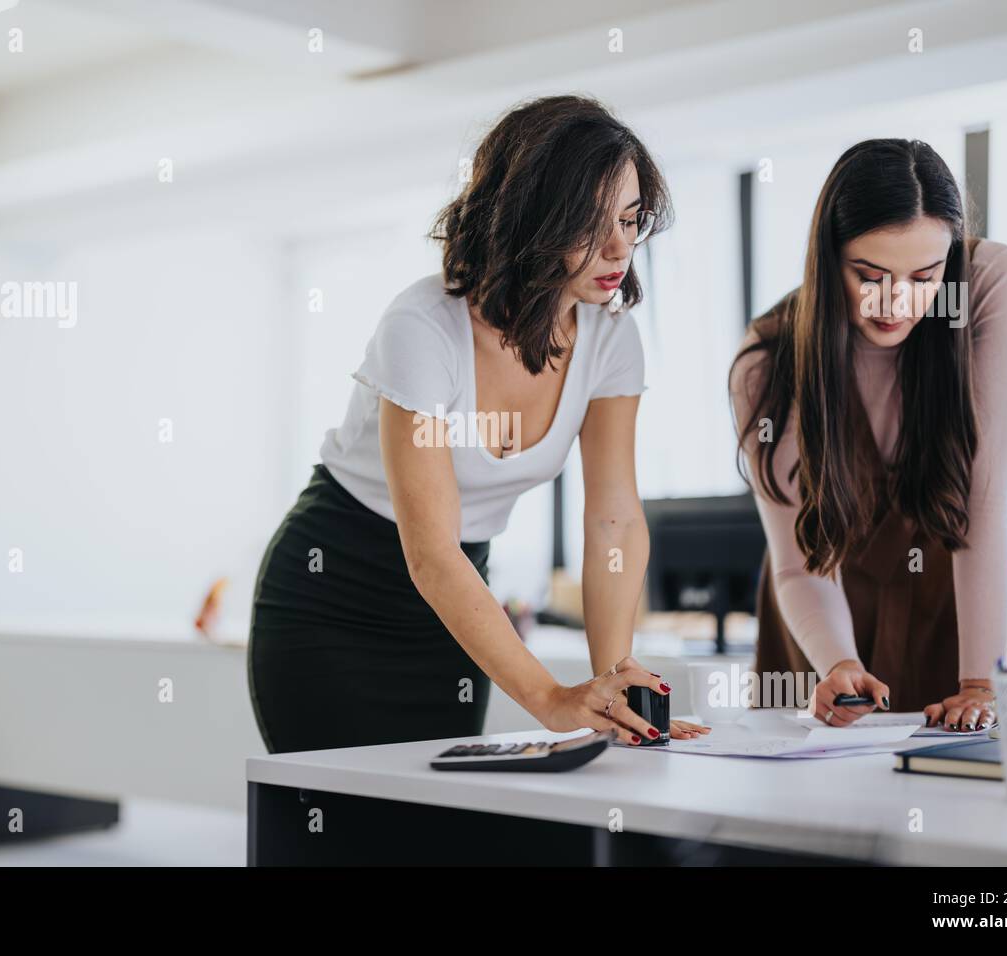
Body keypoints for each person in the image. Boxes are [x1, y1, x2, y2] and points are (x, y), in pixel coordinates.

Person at [249, 95, 709, 752]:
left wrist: (614, 678)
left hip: (457, 609)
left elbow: (613, 517)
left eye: (631, 222)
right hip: (336, 596)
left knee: (442, 828)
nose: (618, 249)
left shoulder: (610, 337)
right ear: (532, 219)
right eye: (590, 225)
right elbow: (430, 550)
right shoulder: (424, 328)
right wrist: (551, 699)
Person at [729, 138, 1007, 731]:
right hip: (832, 574)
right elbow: (795, 563)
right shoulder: (768, 359)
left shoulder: (993, 283)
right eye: (870, 274)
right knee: (830, 785)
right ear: (828, 258)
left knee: (992, 766)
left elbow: (986, 503)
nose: (897, 302)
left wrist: (979, 683)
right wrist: (836, 661)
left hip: (969, 563)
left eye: (924, 276)